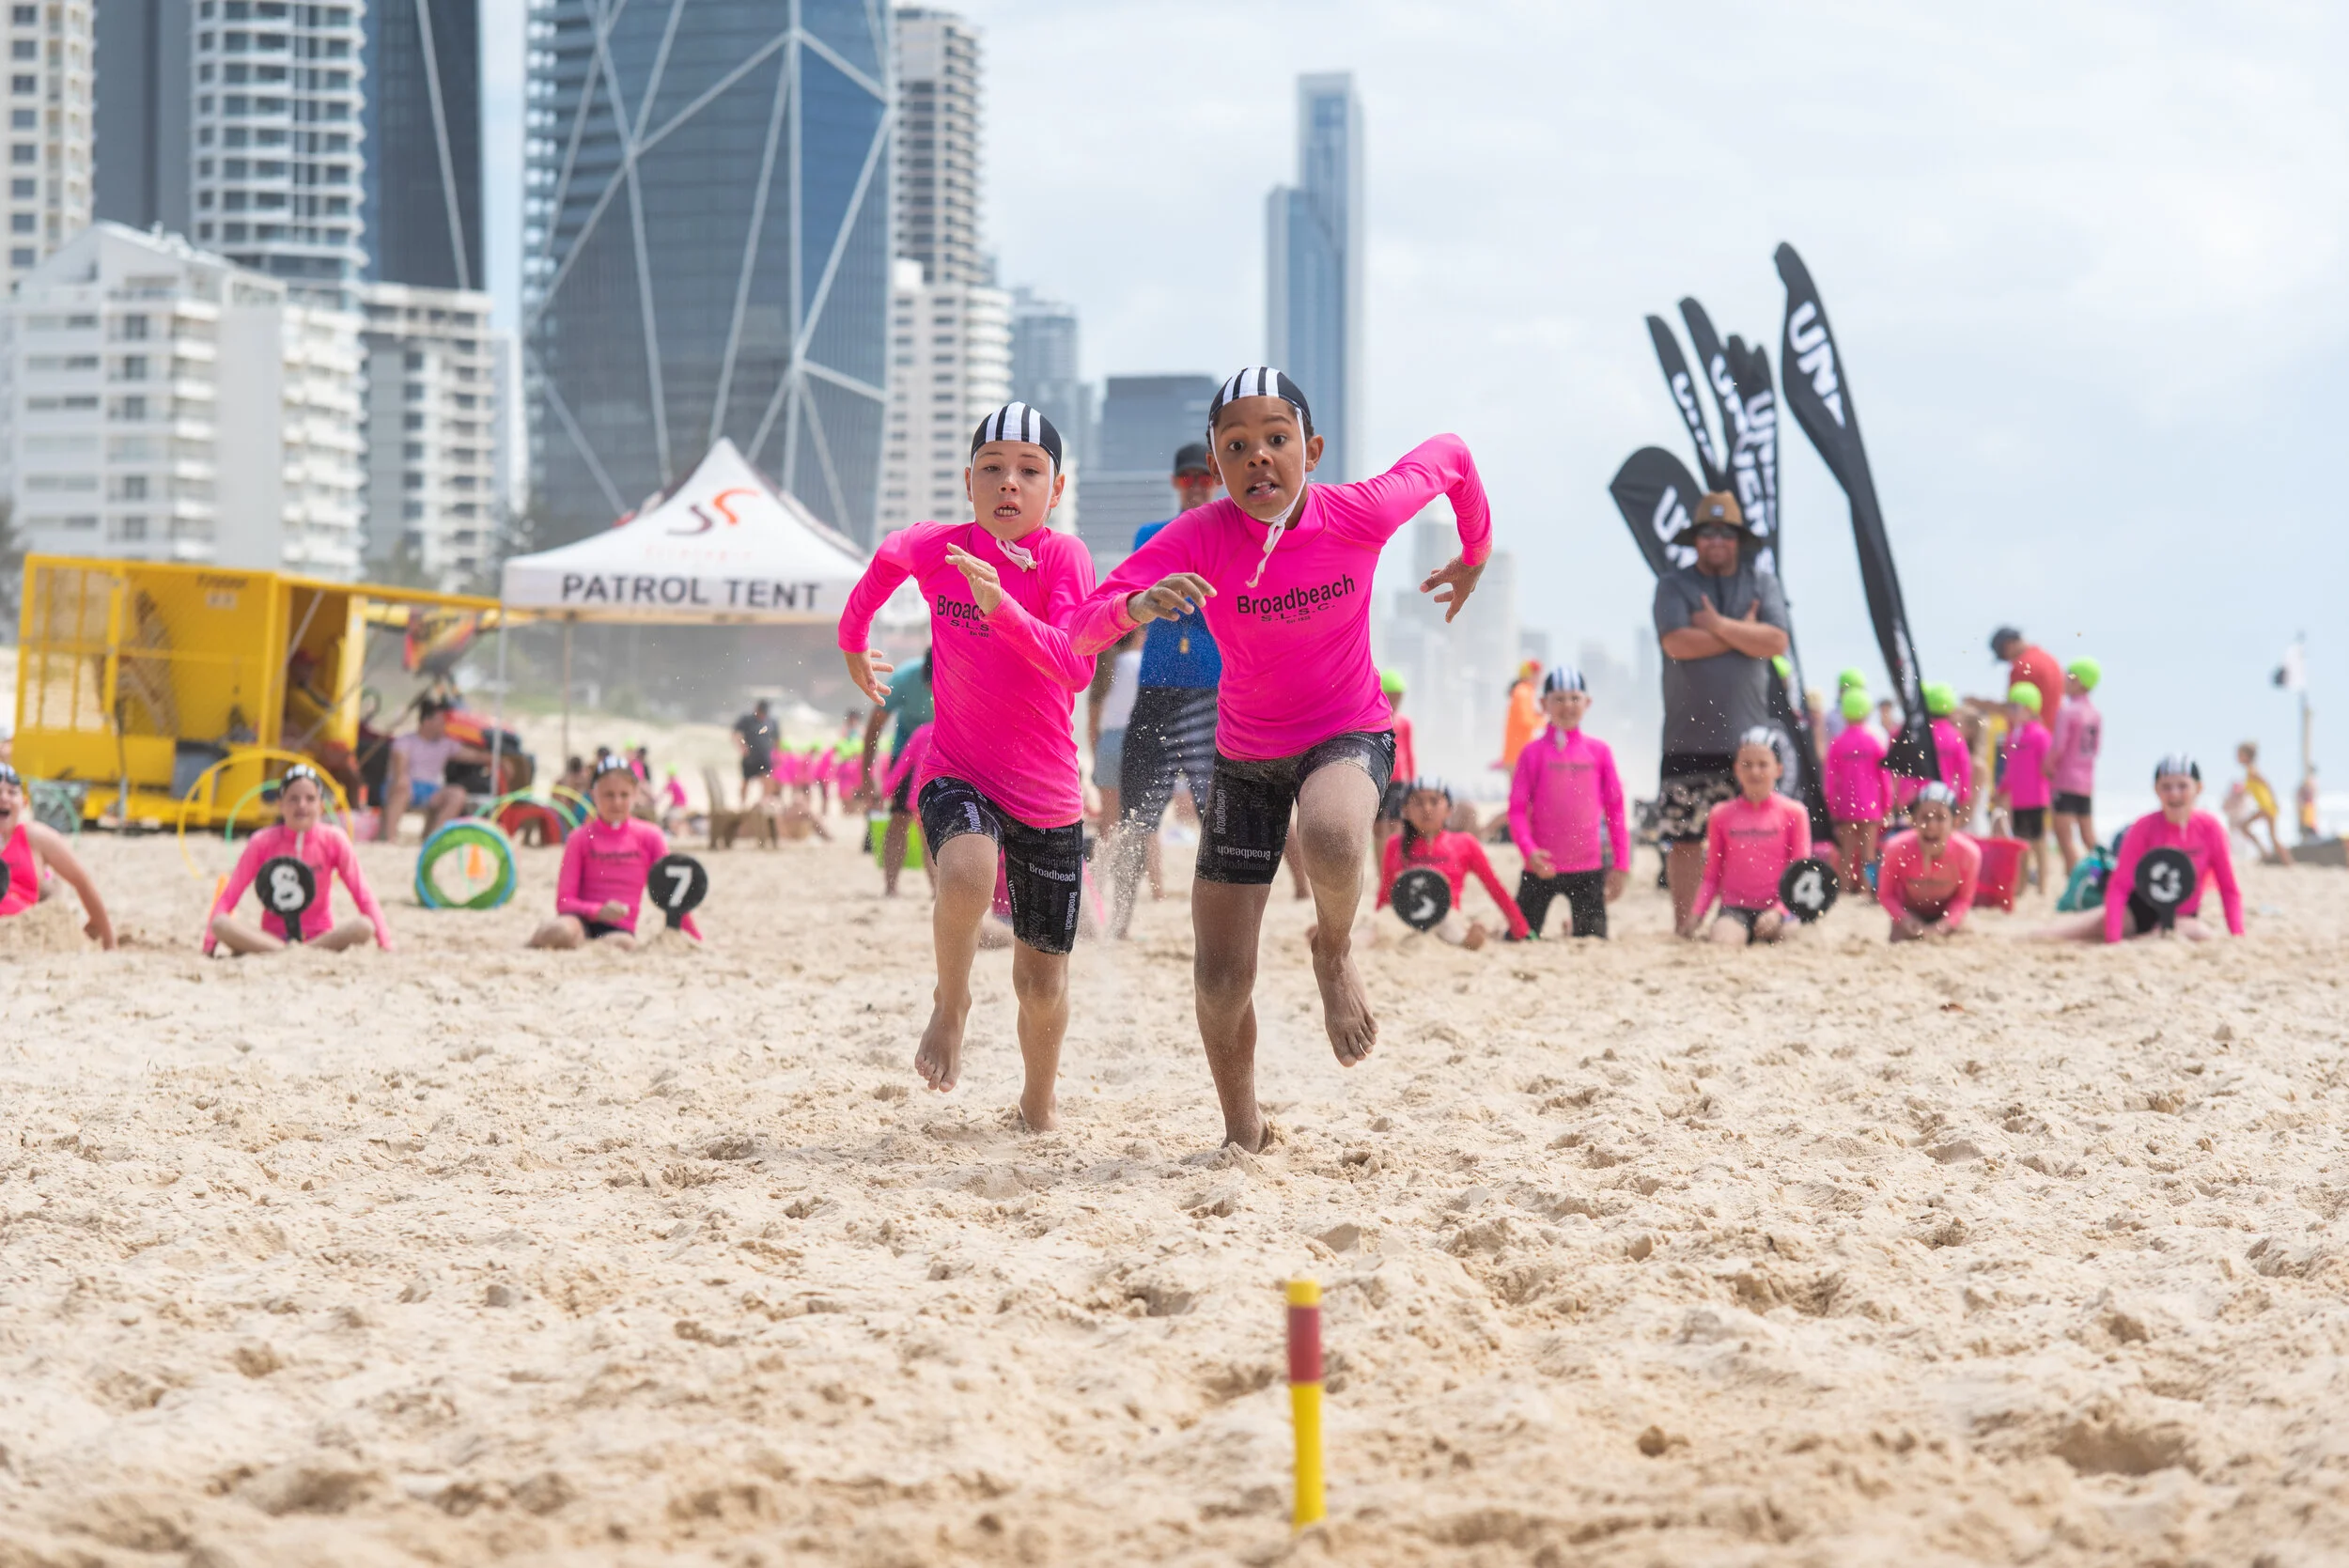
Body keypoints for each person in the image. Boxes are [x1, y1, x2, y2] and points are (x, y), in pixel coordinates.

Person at [1065, 367, 1491, 1151]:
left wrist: (1476, 550)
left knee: (1331, 836)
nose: (1258, 458)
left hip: (1346, 730)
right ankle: (1244, 1130)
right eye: (1237, 447)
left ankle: (1333, 947)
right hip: (1246, 756)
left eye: (1275, 441)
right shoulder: (1196, 536)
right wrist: (1135, 606)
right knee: (1221, 977)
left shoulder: (1360, 511)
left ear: (1311, 449)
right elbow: (1080, 624)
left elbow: (1454, 455)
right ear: (1219, 469)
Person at [838, 403, 1095, 1131]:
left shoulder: (1064, 559)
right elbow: (889, 556)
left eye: (1028, 471)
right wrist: (852, 637)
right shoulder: (939, 548)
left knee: (1041, 984)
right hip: (958, 769)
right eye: (992, 469)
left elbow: (1076, 665)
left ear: (1056, 487)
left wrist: (1000, 607)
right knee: (964, 873)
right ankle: (951, 1003)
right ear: (968, 480)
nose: (1008, 483)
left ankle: (1036, 1105)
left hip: (1048, 795)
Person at [1653, 491, 1791, 934]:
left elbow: (1776, 642)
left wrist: (1715, 626)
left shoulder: (1761, 583)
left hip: (1748, 740)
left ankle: (1756, 919)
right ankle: (1684, 927)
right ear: (1696, 538)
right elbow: (1676, 643)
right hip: (1686, 735)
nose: (1716, 539)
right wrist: (1742, 633)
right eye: (1708, 532)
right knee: (1687, 839)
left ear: (1737, 539)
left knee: (1757, 836)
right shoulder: (1673, 584)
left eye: (1725, 532)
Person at [1105, 442, 1225, 939]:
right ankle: (1121, 918)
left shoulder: (1232, 534)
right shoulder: (1151, 534)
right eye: (1186, 479)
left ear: (1216, 480)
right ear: (1176, 484)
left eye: (1203, 477)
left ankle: (1224, 923)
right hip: (1157, 687)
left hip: (1210, 690)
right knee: (1136, 811)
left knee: (1218, 815)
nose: (1195, 486)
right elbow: (1136, 597)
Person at [2038, 754, 2243, 942]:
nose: (2174, 793)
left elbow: (2228, 887)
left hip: (2180, 916)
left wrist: (2237, 933)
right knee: (2064, 932)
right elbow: (2119, 884)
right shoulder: (2143, 827)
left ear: (2198, 788)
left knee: (2200, 933)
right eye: (2166, 786)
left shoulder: (2211, 829)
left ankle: (2146, 937)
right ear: (2156, 789)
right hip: (2138, 908)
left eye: (2182, 786)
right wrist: (2113, 939)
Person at [205, 764, 391, 955]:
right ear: (281, 805)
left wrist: (386, 943)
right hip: (270, 938)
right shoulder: (262, 841)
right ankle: (289, 951)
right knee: (221, 924)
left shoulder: (334, 840)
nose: (302, 805)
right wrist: (208, 945)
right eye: (293, 799)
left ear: (321, 805)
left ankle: (291, 952)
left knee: (364, 927)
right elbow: (230, 895)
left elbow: (362, 893)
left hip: (322, 938)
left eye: (310, 799)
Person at [1506, 665, 1628, 939]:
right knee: (1521, 937)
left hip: (1588, 868)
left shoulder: (1599, 752)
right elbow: (1515, 811)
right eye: (1559, 699)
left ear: (1587, 703)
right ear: (1543, 704)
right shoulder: (1532, 753)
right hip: (1540, 867)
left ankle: (1570, 928)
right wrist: (1529, 851)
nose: (1567, 706)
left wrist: (1621, 865)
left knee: (1592, 939)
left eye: (1574, 698)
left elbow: (1616, 810)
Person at [530, 758, 702, 951]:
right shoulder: (579, 838)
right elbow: (564, 901)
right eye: (608, 795)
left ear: (635, 794)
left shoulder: (650, 836)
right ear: (594, 794)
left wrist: (694, 937)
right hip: (578, 921)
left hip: (619, 929)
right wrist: (598, 911)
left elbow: (673, 895)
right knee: (560, 931)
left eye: (624, 795)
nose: (617, 802)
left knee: (623, 944)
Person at [1681, 728, 1811, 945]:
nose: (1754, 771)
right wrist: (1697, 915)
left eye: (1763, 764)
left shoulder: (1794, 812)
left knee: (1790, 939)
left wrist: (1779, 911)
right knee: (1722, 942)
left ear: (1778, 769)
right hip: (1735, 909)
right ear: (1736, 770)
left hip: (1780, 909)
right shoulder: (1721, 814)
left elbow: (1800, 875)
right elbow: (1712, 875)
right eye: (1747, 765)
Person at [1372, 779, 1529, 948]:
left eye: (1434, 801)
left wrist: (1520, 927)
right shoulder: (1395, 844)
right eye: (1418, 802)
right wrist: (1379, 917)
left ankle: (1467, 941)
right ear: (1406, 811)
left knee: (1450, 925)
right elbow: (1386, 892)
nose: (1427, 808)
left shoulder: (1464, 843)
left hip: (1446, 914)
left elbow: (1494, 886)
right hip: (1402, 915)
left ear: (1449, 810)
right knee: (1374, 928)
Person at [0, 762, 115, 947]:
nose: (4, 798)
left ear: (24, 802)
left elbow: (82, 881)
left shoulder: (35, 836)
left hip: (24, 934)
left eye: (12, 792)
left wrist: (109, 941)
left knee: (52, 888)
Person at [860, 647, 935, 895]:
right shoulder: (904, 678)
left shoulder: (962, 676)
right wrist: (867, 776)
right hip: (906, 752)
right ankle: (890, 887)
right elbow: (875, 725)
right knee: (899, 819)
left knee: (936, 826)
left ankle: (938, 891)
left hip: (945, 754)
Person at [1877, 783, 1980, 941]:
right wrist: (1904, 919)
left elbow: (1963, 899)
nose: (1931, 825)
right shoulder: (1896, 849)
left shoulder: (1968, 854)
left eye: (1940, 818)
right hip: (1911, 913)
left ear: (1955, 823)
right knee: (1898, 937)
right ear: (1914, 821)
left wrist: (1944, 925)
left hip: (1945, 912)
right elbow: (1886, 895)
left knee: (1966, 934)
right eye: (1925, 817)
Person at [377, 699, 488, 843]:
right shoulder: (404, 742)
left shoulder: (446, 743)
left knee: (457, 794)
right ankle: (390, 838)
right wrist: (402, 781)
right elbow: (400, 772)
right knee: (402, 786)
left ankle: (433, 840)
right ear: (427, 721)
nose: (444, 725)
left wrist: (499, 760)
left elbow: (475, 756)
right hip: (404, 787)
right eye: (440, 721)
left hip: (430, 790)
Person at [1825, 687, 1889, 893]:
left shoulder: (1837, 743)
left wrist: (1832, 807)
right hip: (1871, 805)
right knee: (1868, 853)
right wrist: (1886, 804)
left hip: (1845, 805)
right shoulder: (1873, 742)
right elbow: (1884, 777)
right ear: (1868, 712)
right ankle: (1865, 890)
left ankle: (1843, 890)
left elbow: (1829, 781)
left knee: (1846, 853)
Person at [1087, 627, 1143, 846]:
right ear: (1138, 634)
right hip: (1135, 742)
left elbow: (1092, 724)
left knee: (1108, 820)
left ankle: (1102, 874)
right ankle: (1129, 874)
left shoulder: (1105, 665)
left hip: (1108, 744)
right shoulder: (1142, 663)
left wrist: (1097, 757)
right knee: (1138, 818)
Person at [2049, 657, 2104, 877]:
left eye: (2070, 676)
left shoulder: (2068, 711)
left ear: (2081, 682)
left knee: (2064, 838)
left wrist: (2047, 766)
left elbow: (2058, 746)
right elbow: (2095, 749)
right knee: (2089, 837)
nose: (2064, 680)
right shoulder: (2096, 714)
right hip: (2086, 781)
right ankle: (2103, 875)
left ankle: (2074, 881)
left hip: (2065, 780)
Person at [1999, 682, 2053, 893]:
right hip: (2018, 800)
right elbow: (2010, 768)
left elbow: (2048, 766)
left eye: (2015, 707)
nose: (2010, 712)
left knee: (2039, 843)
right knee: (2020, 844)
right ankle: (2020, 886)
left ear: (2029, 709)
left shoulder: (2040, 734)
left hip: (2037, 798)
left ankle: (2042, 886)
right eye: (2009, 707)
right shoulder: (2013, 736)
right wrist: (2002, 788)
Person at [1373, 669, 1415, 863]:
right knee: (1380, 827)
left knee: (1397, 825)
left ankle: (1397, 868)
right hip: (1380, 777)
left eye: (1399, 697)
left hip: (1399, 781)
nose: (1396, 700)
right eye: (1392, 696)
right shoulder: (1375, 719)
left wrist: (1413, 782)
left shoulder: (1405, 722)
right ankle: (1383, 873)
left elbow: (1409, 753)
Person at [2227, 741, 2287, 865]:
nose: (2237, 757)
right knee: (2270, 835)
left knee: (2247, 827)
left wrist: (2274, 801)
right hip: (2265, 807)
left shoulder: (2252, 771)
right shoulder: (2249, 772)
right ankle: (2273, 856)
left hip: (2267, 807)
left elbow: (2267, 784)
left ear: (2247, 756)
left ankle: (2273, 856)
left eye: (2240, 754)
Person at [1990, 627, 2064, 726]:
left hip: (2028, 735)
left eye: (2005, 657)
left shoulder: (2021, 666)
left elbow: (2014, 709)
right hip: (2051, 732)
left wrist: (1982, 706)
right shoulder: (2050, 659)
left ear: (2009, 646)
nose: (2009, 661)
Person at [1923, 682, 1974, 821]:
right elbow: (1965, 771)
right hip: (1946, 799)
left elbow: (1908, 772)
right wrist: (1963, 799)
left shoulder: (1921, 736)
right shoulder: (1956, 737)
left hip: (1922, 799)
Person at [732, 699, 778, 807]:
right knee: (746, 780)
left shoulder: (771, 721)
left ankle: (763, 803)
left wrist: (776, 754)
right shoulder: (747, 720)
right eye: (761, 712)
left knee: (768, 780)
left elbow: (777, 739)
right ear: (756, 709)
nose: (762, 715)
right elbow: (735, 734)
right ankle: (742, 804)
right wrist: (742, 747)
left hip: (765, 756)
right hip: (750, 757)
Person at [1498, 659, 1542, 771]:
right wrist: (1544, 721)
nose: (1540, 679)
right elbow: (1526, 720)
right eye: (1538, 675)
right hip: (1519, 754)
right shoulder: (1523, 692)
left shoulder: (1523, 691)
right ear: (1531, 675)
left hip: (1516, 753)